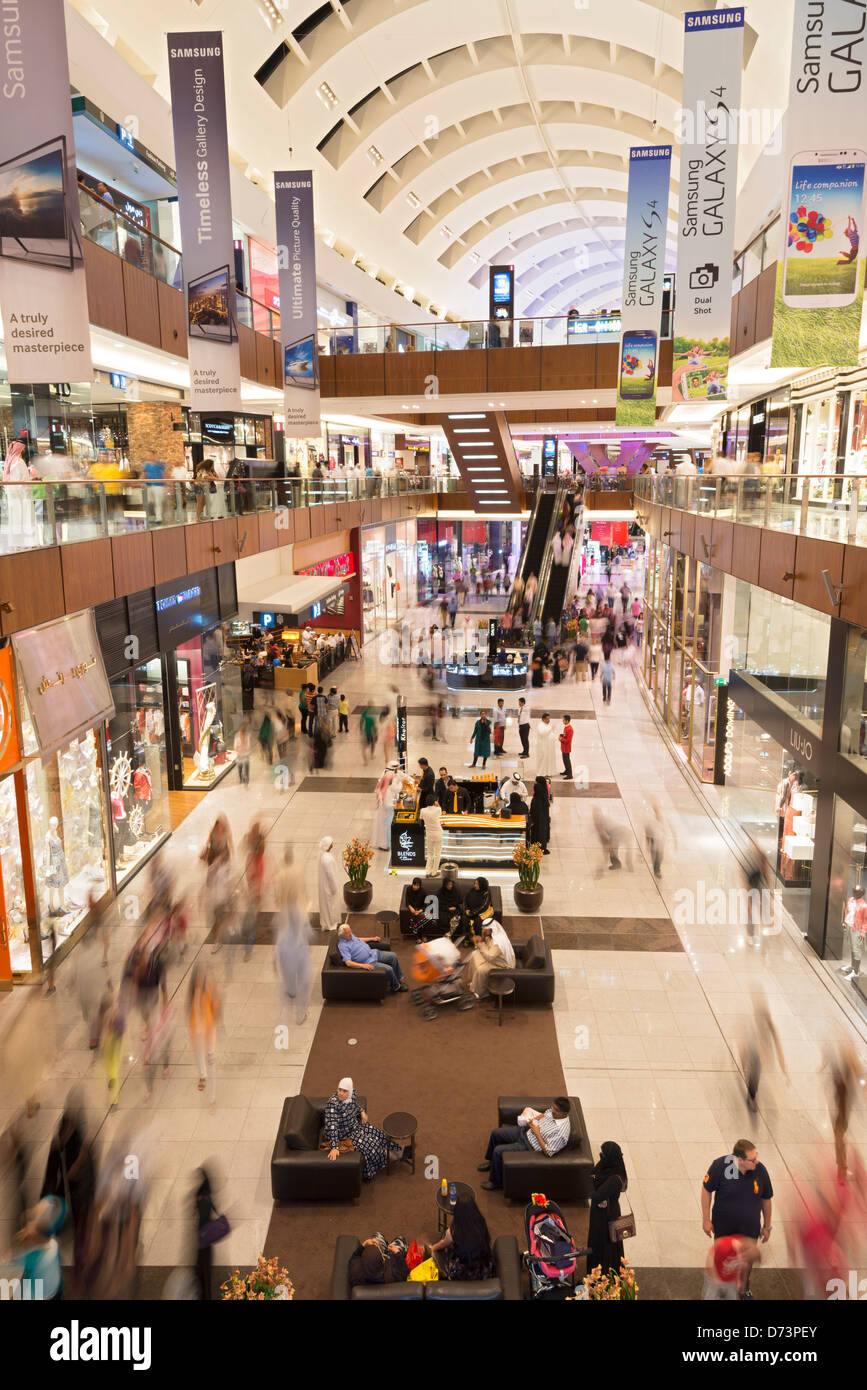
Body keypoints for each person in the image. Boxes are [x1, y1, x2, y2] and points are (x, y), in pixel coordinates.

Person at [701, 1140, 773, 1298]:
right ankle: (720, 1285)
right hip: (724, 1229)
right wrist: (706, 1219)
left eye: (756, 1157)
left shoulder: (760, 1170)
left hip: (749, 1231)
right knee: (723, 1259)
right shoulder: (719, 1166)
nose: (756, 1161)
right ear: (739, 1160)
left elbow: (766, 1199)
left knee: (746, 1262)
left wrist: (767, 1226)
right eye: (752, 1159)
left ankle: (743, 1288)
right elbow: (706, 1190)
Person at [479, 1097, 571, 1191]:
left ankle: (495, 1182)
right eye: (553, 1107)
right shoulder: (553, 1112)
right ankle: (492, 1163)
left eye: (556, 1110)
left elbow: (548, 1152)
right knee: (496, 1133)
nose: (552, 1111)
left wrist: (537, 1133)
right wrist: (534, 1120)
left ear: (564, 1114)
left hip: (529, 1145)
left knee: (498, 1151)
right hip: (526, 1131)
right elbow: (545, 1114)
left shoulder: (561, 1134)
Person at [324, 1078, 401, 1180]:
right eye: (339, 1090)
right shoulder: (332, 1105)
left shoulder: (352, 1094)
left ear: (350, 1091)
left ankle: (397, 1150)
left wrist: (361, 1111)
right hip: (343, 1135)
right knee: (370, 1145)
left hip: (354, 1126)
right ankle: (389, 1156)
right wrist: (334, 1147)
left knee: (377, 1133)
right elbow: (332, 1126)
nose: (341, 1093)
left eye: (344, 1091)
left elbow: (355, 1105)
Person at [10, 1196, 65, 1300]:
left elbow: (16, 1257)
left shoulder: (33, 1256)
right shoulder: (53, 1242)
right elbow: (57, 1203)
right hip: (55, 1288)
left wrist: (20, 1239)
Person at [586, 1141, 628, 1278]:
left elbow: (596, 1195)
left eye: (603, 1154)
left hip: (607, 1216)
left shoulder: (616, 1179)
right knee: (595, 1242)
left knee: (605, 1247)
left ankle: (603, 1278)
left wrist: (594, 1187)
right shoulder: (605, 1165)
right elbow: (590, 1177)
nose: (600, 1156)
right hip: (599, 1213)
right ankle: (593, 1272)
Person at [431, 1193, 494, 1281]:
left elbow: (441, 1244)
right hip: (483, 1268)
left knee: (444, 1245)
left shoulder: (453, 1232)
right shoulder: (481, 1224)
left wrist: (431, 1248)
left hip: (463, 1273)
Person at [337, 924, 408, 993]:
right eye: (347, 933)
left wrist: (372, 938)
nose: (350, 934)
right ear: (342, 935)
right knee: (389, 969)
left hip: (373, 953)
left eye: (350, 931)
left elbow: (358, 939)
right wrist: (363, 966)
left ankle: (398, 979)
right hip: (368, 962)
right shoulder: (343, 946)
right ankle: (396, 987)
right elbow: (348, 963)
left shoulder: (350, 936)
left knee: (393, 956)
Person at [274, 902, 312, 1026]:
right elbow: (309, 932)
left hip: (288, 951)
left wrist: (274, 958)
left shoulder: (284, 914)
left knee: (293, 978)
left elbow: (278, 936)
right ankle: (300, 1013)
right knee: (303, 981)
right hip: (297, 951)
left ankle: (292, 993)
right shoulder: (299, 913)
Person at [188, 962, 220, 1103]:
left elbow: (216, 1005)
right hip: (197, 1030)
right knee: (199, 1055)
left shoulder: (210, 986)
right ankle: (202, 1075)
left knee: (211, 1060)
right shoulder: (194, 991)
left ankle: (212, 1097)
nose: (202, 976)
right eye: (199, 974)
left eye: (203, 973)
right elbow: (191, 1009)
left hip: (209, 1028)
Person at [463, 920, 515, 998]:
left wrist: (480, 943)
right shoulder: (492, 935)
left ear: (491, 929)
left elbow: (489, 957)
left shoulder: (498, 942)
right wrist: (483, 938)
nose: (483, 931)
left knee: (481, 970)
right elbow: (488, 946)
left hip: (502, 965)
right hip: (494, 959)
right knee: (474, 954)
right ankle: (474, 982)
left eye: (485, 929)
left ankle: (479, 993)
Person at [703, 1234, 761, 1300]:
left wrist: (740, 1281)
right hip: (714, 1275)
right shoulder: (726, 1245)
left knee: (732, 1296)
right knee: (711, 1295)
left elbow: (743, 1269)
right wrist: (715, 1277)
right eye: (746, 1259)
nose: (745, 1263)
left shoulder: (745, 1257)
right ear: (742, 1251)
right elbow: (710, 1257)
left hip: (730, 1279)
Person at [241, 820, 267, 959]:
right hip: (254, 885)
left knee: (253, 912)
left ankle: (250, 941)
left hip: (255, 883)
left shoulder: (255, 857)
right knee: (253, 912)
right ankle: (249, 943)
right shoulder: (254, 858)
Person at [317, 835, 342, 931]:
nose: (333, 844)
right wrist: (334, 887)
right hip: (329, 886)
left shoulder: (325, 855)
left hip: (326, 885)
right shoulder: (326, 859)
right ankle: (330, 923)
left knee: (329, 905)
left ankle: (330, 921)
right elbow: (330, 875)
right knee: (329, 905)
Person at [373, 761, 398, 851]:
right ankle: (385, 844)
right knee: (387, 825)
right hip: (387, 804)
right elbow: (396, 789)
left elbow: (379, 787)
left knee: (381, 824)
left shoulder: (384, 773)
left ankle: (381, 843)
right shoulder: (391, 776)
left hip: (382, 803)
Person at [420, 791, 443, 875]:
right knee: (437, 854)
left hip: (429, 833)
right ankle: (434, 872)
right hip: (438, 833)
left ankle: (427, 871)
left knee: (430, 853)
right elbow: (441, 813)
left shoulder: (423, 810)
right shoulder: (438, 809)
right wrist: (438, 804)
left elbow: (421, 819)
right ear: (434, 801)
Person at [438, 874, 466, 943]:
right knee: (443, 918)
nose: (450, 886)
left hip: (454, 908)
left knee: (456, 917)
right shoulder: (441, 891)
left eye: (451, 884)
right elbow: (439, 903)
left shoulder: (455, 890)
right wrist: (448, 908)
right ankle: (448, 936)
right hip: (444, 909)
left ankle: (448, 935)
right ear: (445, 885)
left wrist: (453, 907)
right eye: (448, 885)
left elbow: (459, 901)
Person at [528, 775, 552, 855]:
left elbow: (532, 811)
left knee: (535, 831)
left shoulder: (535, 799)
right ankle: (542, 847)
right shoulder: (545, 796)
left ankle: (534, 846)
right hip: (543, 820)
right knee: (542, 832)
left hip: (536, 819)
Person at [534, 712, 557, 779]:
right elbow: (542, 733)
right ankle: (541, 773)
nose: (549, 720)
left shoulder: (547, 725)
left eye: (549, 719)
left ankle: (548, 772)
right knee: (543, 760)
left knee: (548, 760)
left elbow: (551, 733)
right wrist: (550, 729)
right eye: (547, 719)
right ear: (543, 719)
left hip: (548, 747)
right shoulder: (540, 725)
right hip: (542, 747)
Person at [234, 714, 252, 786]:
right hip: (239, 755)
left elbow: (248, 746)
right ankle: (241, 777)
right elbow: (235, 746)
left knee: (247, 766)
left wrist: (243, 747)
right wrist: (240, 748)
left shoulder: (247, 735)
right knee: (240, 767)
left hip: (245, 754)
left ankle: (247, 777)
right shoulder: (237, 736)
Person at [559, 714, 573, 780]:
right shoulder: (566, 727)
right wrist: (561, 735)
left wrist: (561, 739)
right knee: (564, 760)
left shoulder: (570, 729)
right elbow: (565, 735)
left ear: (567, 721)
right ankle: (567, 770)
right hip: (564, 747)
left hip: (566, 747)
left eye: (563, 720)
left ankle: (570, 774)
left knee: (567, 761)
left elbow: (568, 740)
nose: (562, 721)